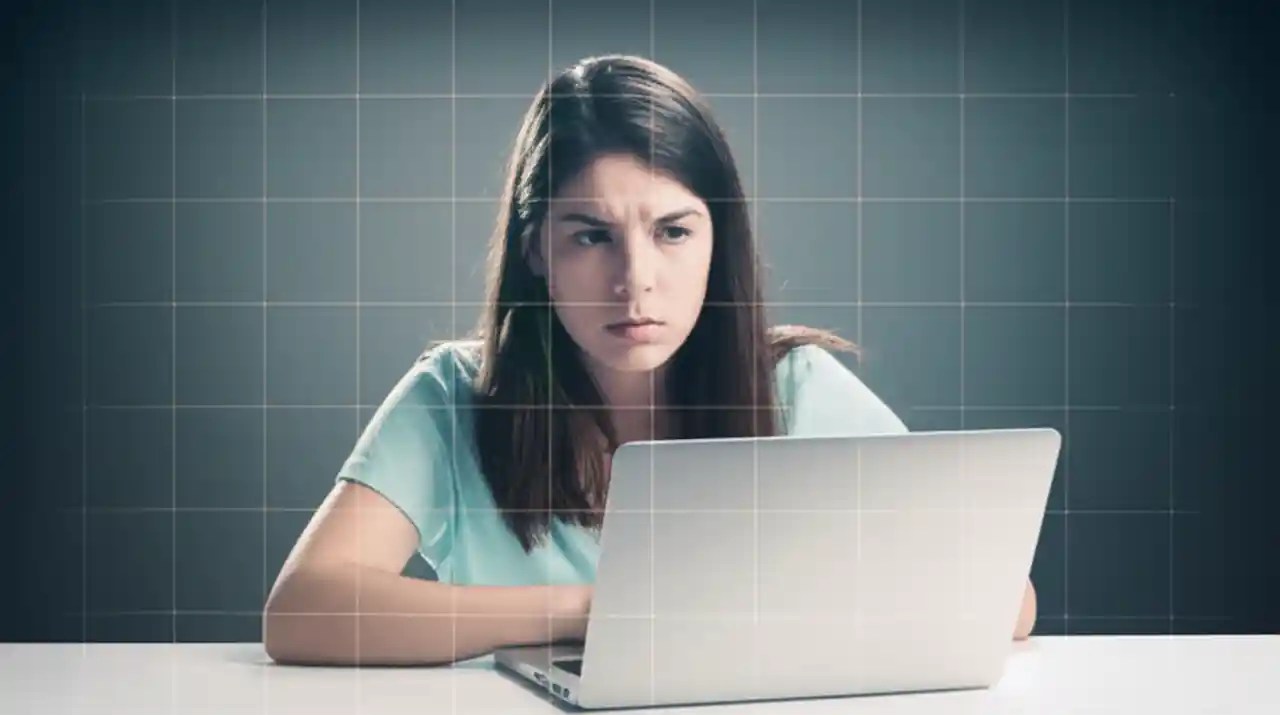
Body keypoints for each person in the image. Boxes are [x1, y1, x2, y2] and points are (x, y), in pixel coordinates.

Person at [262, 54, 1035, 666]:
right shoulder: (456, 393)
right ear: (538, 250)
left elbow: (1008, 600)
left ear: (716, 242)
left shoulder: (794, 390)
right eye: (591, 235)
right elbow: (305, 609)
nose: (636, 281)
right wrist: (603, 609)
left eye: (673, 231)